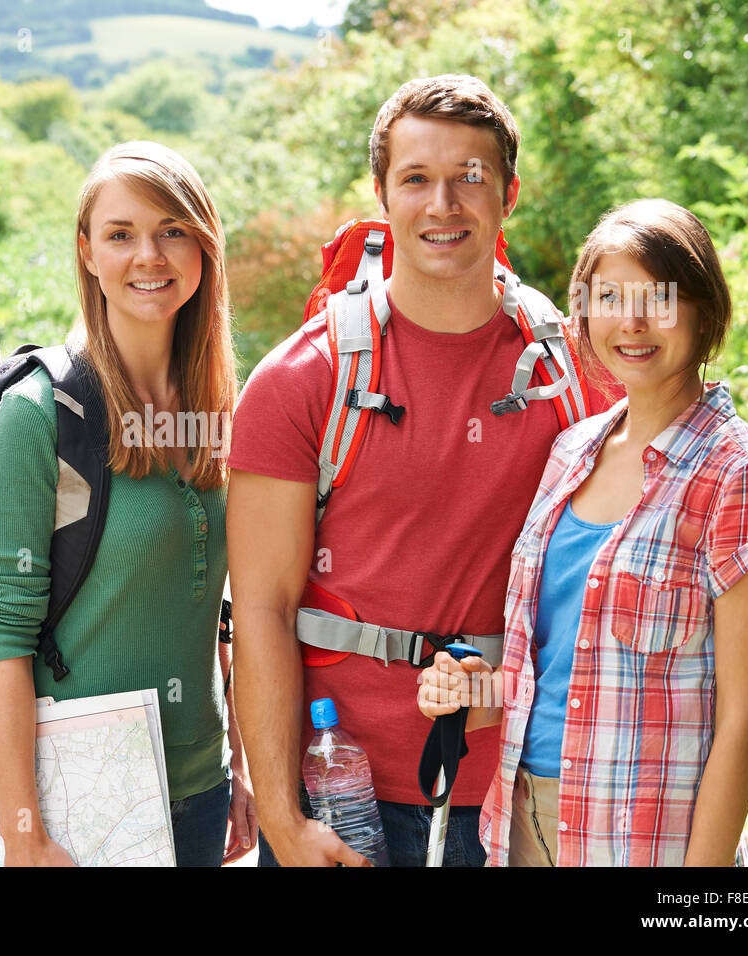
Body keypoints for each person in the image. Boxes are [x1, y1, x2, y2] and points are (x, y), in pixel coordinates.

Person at [227, 74, 615, 866]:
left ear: (508, 193)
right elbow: (261, 609)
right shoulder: (303, 378)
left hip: (532, 786)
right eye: (416, 179)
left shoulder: (577, 370)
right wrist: (281, 819)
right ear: (382, 193)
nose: (443, 204)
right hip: (344, 794)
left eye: (469, 178)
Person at [419, 198, 748, 866]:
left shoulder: (741, 476)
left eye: (657, 298)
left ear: (703, 310)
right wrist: (475, 688)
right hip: (523, 822)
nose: (630, 321)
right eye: (608, 296)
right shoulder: (571, 453)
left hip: (648, 840)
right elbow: (557, 667)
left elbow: (743, 718)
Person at [0, 141, 255, 867]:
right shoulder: (40, 414)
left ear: (203, 245)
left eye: (172, 230)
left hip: (201, 790)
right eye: (121, 234)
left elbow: (217, 609)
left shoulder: (221, 410)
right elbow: (3, 634)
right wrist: (23, 832)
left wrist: (244, 769)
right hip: (82, 798)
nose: (149, 256)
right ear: (87, 252)